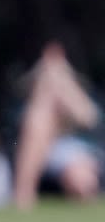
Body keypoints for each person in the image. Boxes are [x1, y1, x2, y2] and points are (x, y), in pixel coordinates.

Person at [8, 41, 103, 210]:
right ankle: (23, 196)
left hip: (73, 149)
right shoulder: (27, 99)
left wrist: (63, 87)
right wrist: (47, 86)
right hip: (36, 150)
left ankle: (23, 196)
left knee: (80, 178)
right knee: (40, 115)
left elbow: (90, 120)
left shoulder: (82, 90)